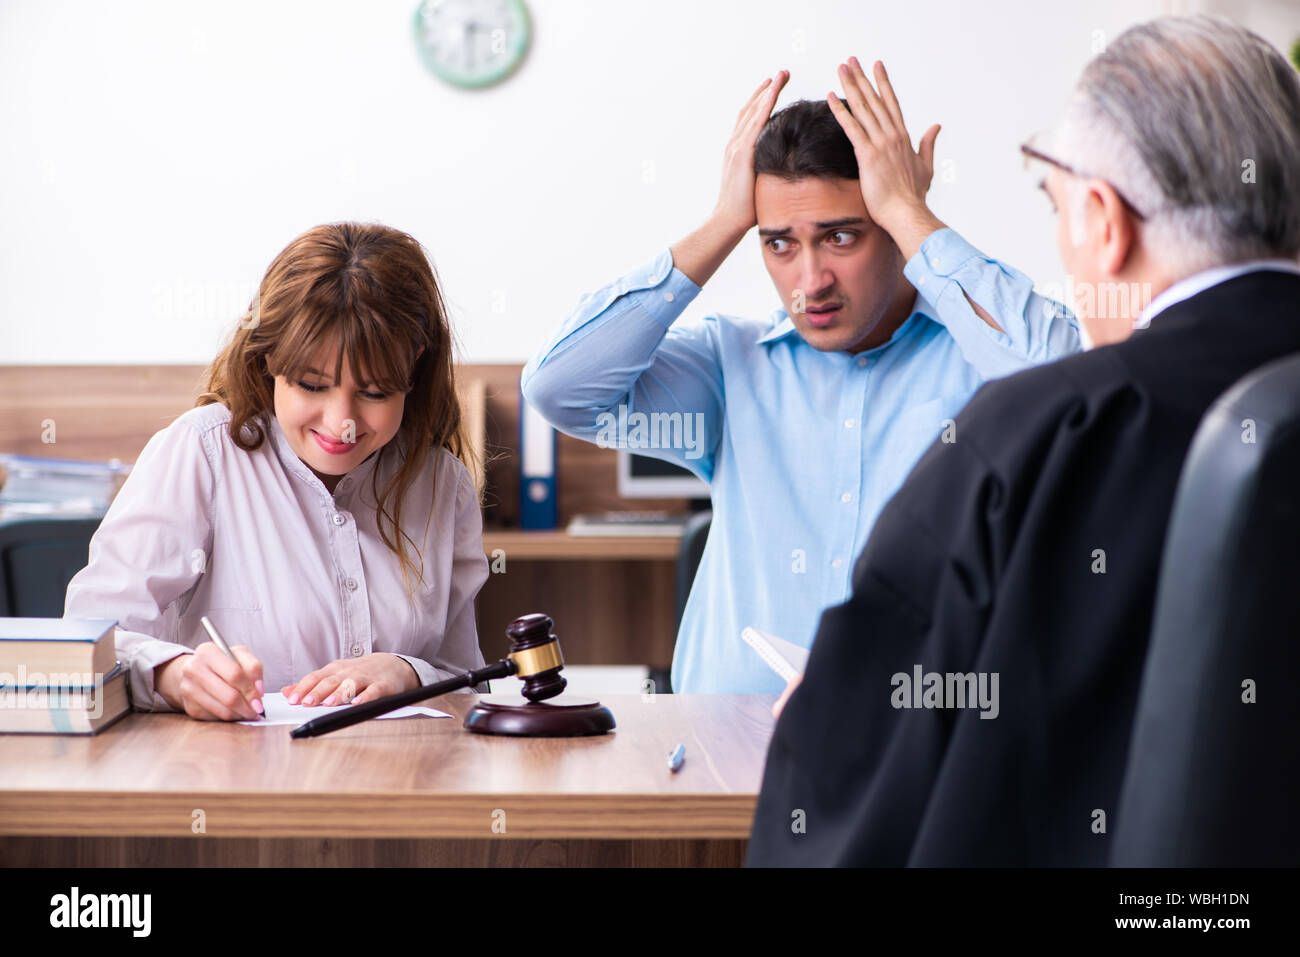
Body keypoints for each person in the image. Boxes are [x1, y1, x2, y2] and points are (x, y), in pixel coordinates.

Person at [748, 14, 1300, 865]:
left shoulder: (1035, 435)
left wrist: (822, 716)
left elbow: (864, 754)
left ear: (1103, 220)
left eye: (1056, 209)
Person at [522, 61, 1079, 694]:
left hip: (915, 736)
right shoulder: (729, 365)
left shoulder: (978, 361)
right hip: (728, 741)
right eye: (779, 244)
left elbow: (1066, 384)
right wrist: (724, 223)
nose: (810, 282)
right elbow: (557, 389)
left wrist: (909, 211)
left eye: (839, 237)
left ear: (892, 230)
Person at [64, 222, 490, 721]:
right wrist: (175, 676)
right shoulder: (202, 453)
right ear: (269, 358)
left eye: (375, 392)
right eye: (312, 385)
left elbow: (468, 680)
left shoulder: (443, 485)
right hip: (230, 766)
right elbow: (88, 637)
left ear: (413, 370)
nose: (342, 422)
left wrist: (408, 672)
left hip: (399, 767)